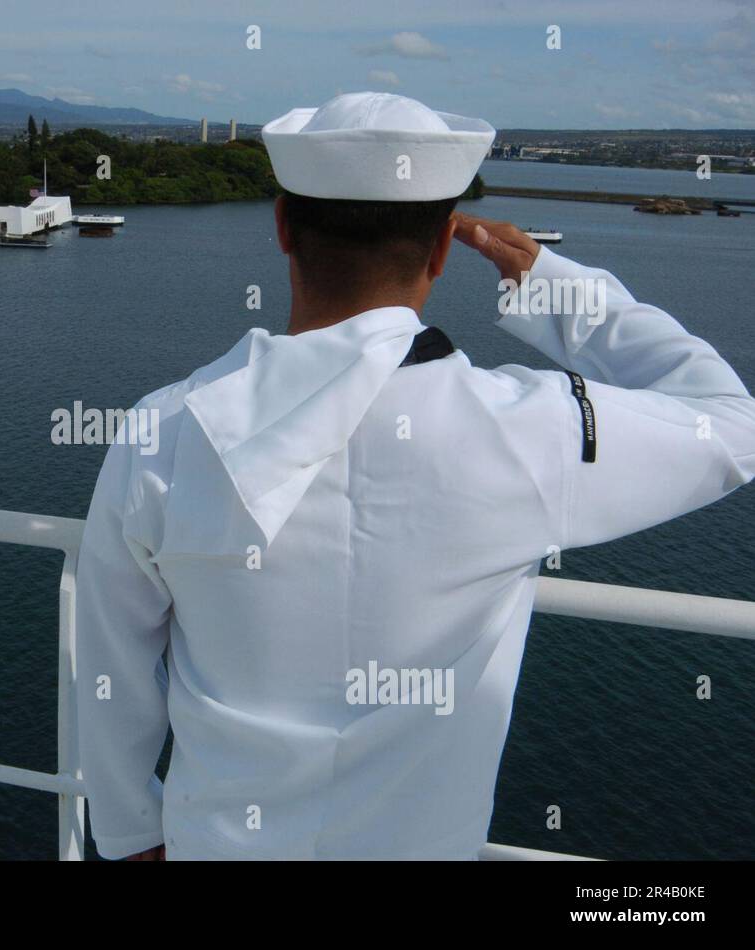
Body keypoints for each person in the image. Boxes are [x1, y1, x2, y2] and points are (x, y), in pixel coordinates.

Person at [73, 92, 755, 860]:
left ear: (282, 229)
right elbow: (732, 423)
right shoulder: (530, 435)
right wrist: (559, 289)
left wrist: (132, 833)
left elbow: (111, 664)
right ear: (439, 251)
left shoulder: (160, 433)